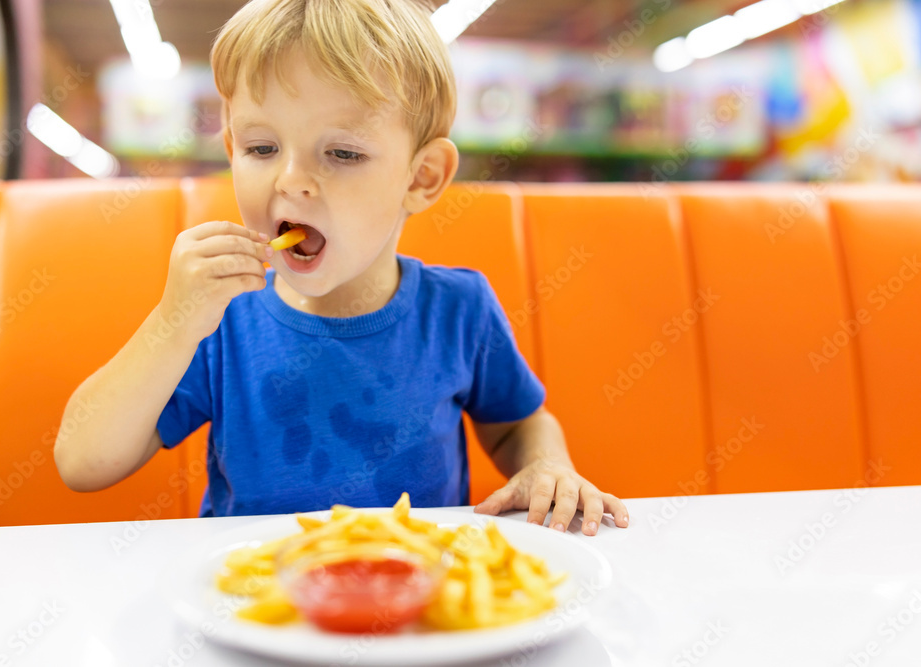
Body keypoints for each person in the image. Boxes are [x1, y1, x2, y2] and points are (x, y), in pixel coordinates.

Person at [54, 0, 629, 536]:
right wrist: (172, 321)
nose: (290, 180)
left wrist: (546, 466)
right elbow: (81, 462)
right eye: (261, 148)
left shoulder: (459, 311)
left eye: (343, 153)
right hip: (257, 606)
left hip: (415, 602)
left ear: (421, 176)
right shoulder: (219, 321)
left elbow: (515, 424)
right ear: (231, 150)